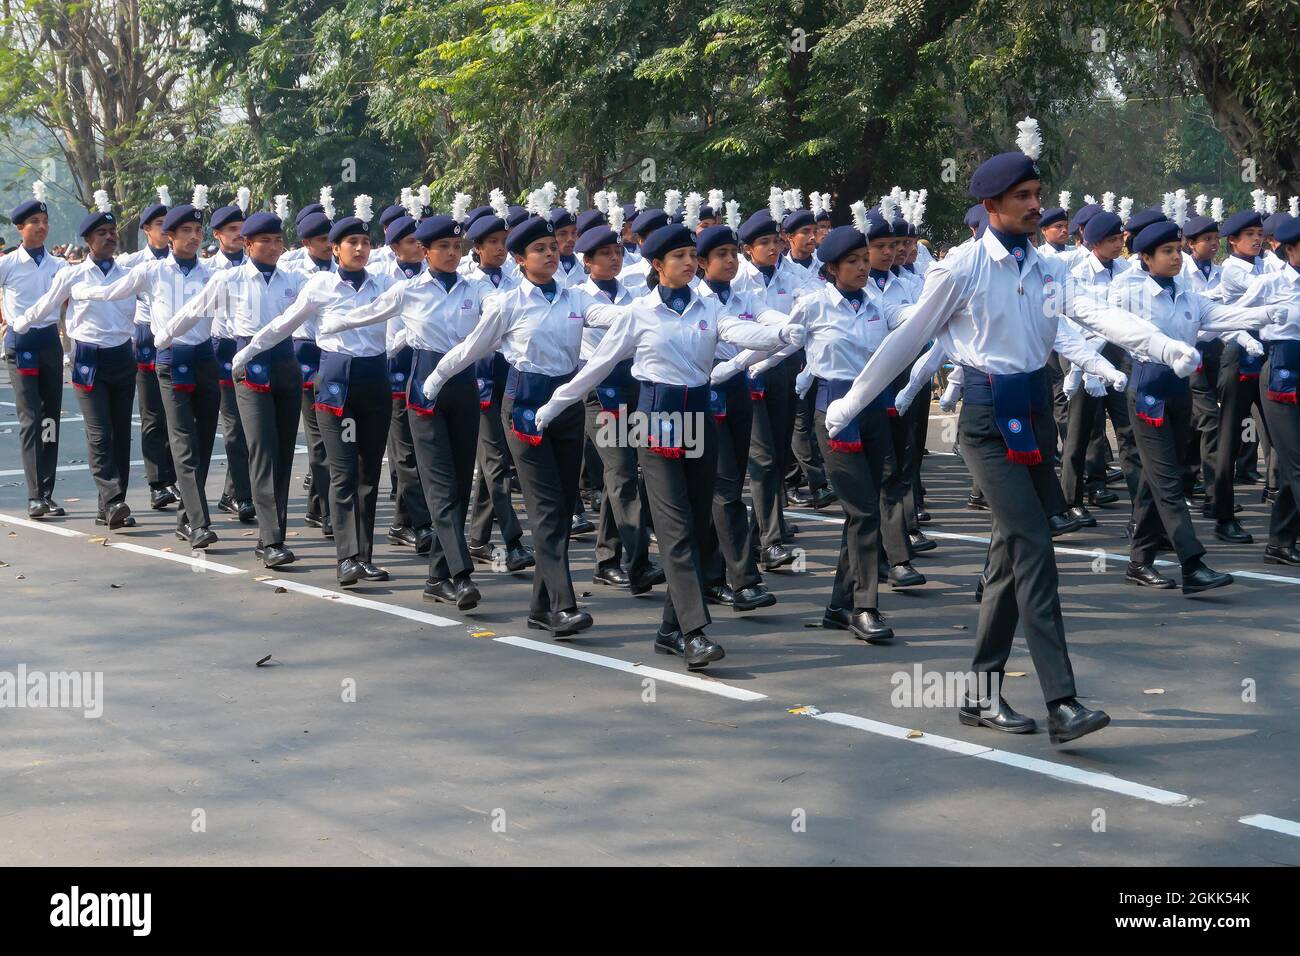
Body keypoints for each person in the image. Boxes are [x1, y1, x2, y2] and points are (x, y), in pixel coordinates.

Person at [824, 124, 1202, 744]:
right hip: (984, 421)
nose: (1035, 204)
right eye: (1024, 196)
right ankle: (1063, 701)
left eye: (1037, 192)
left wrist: (1161, 344)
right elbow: (908, 339)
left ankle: (979, 693)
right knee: (1034, 546)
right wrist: (853, 402)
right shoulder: (961, 269)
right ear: (993, 205)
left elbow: (1094, 314)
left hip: (1031, 415)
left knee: (1007, 557)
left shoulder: (1048, 265)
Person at [532, 222, 802, 667]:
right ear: (657, 265)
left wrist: (780, 335)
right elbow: (596, 367)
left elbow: (739, 331)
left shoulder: (707, 306)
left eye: (690, 255)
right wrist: (555, 405)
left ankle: (669, 630)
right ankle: (695, 633)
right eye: (677, 257)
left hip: (698, 419)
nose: (688, 263)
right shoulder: (638, 313)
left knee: (696, 528)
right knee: (675, 530)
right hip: (655, 423)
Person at [419, 209, 629, 636]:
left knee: (564, 501)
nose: (550, 254)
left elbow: (613, 317)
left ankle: (540, 607)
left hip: (567, 401)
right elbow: (472, 348)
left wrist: (641, 317)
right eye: (539, 249)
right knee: (548, 508)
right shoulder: (508, 303)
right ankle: (563, 607)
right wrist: (436, 378)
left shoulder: (574, 298)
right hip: (525, 408)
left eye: (553, 247)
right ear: (519, 258)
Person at [1110, 220, 1286, 591]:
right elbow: (1111, 327)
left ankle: (1139, 561)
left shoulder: (1187, 295)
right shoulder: (1130, 293)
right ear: (1145, 258)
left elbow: (1222, 317)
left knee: (1155, 477)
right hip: (1148, 393)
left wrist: (1268, 315)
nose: (1176, 257)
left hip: (1179, 391)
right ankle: (1192, 563)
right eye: (1167, 252)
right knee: (1167, 479)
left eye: (1178, 250)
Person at [231, 198, 395, 586]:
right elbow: (284, 325)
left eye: (364, 242)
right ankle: (347, 557)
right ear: (335, 249)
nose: (359, 249)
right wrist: (248, 351)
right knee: (342, 471)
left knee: (369, 472)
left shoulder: (385, 285)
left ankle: (366, 555)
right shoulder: (320, 287)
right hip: (335, 386)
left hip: (374, 382)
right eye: (350, 242)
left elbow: (411, 319)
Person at [73, 189, 222, 548]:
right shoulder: (151, 272)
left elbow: (230, 316)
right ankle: (199, 522)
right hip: (171, 360)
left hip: (205, 358)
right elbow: (113, 291)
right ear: (168, 237)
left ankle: (187, 518)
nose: (192, 236)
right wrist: (80, 293)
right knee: (182, 441)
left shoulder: (215, 275)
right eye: (184, 231)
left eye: (196, 231)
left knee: (202, 445)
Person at [158, 211, 306, 568]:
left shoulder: (295, 280)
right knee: (262, 449)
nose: (272, 247)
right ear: (247, 244)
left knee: (284, 451)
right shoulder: (231, 280)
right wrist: (164, 336)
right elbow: (194, 310)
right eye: (264, 241)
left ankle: (273, 534)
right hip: (251, 369)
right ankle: (271, 541)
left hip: (286, 364)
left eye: (277, 240)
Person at [16, 194, 136, 529]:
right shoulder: (73, 275)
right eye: (102, 233)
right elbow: (48, 305)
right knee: (100, 433)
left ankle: (111, 505)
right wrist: (20, 323)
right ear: (87, 241)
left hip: (122, 356)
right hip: (88, 359)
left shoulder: (129, 274)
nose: (109, 237)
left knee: (121, 432)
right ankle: (113, 500)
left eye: (112, 232)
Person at [572, 222, 663, 593]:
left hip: (633, 388)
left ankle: (608, 557)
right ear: (587, 261)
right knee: (621, 473)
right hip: (600, 393)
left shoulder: (636, 295)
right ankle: (637, 563)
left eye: (617, 252)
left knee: (624, 474)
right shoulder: (577, 297)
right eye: (604, 254)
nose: (614, 258)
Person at [1228, 216, 1300, 565]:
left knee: (1292, 464)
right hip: (1280, 380)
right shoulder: (1270, 284)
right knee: (1297, 462)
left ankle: (1281, 541)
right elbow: (1231, 316)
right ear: (1290, 250)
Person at [0, 183, 66, 518]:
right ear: (20, 228)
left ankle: (48, 491)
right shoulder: (8, 264)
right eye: (34, 222)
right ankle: (34, 494)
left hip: (49, 343)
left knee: (51, 417)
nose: (41, 227)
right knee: (31, 418)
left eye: (44, 220)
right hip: (21, 344)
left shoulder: (59, 265)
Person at [116, 188, 180, 510]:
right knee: (153, 412)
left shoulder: (178, 261)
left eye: (169, 223)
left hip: (174, 337)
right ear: (146, 230)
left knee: (177, 413)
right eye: (159, 223)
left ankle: (173, 478)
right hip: (144, 337)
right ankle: (158, 483)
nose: (165, 228)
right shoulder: (131, 263)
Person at [208, 198, 256, 524]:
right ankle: (242, 495)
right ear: (217, 235)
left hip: (251, 346)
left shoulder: (255, 267)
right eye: (232, 230)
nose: (239, 235)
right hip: (221, 349)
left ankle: (233, 492)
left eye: (242, 229)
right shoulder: (209, 270)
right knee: (235, 426)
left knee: (249, 426)